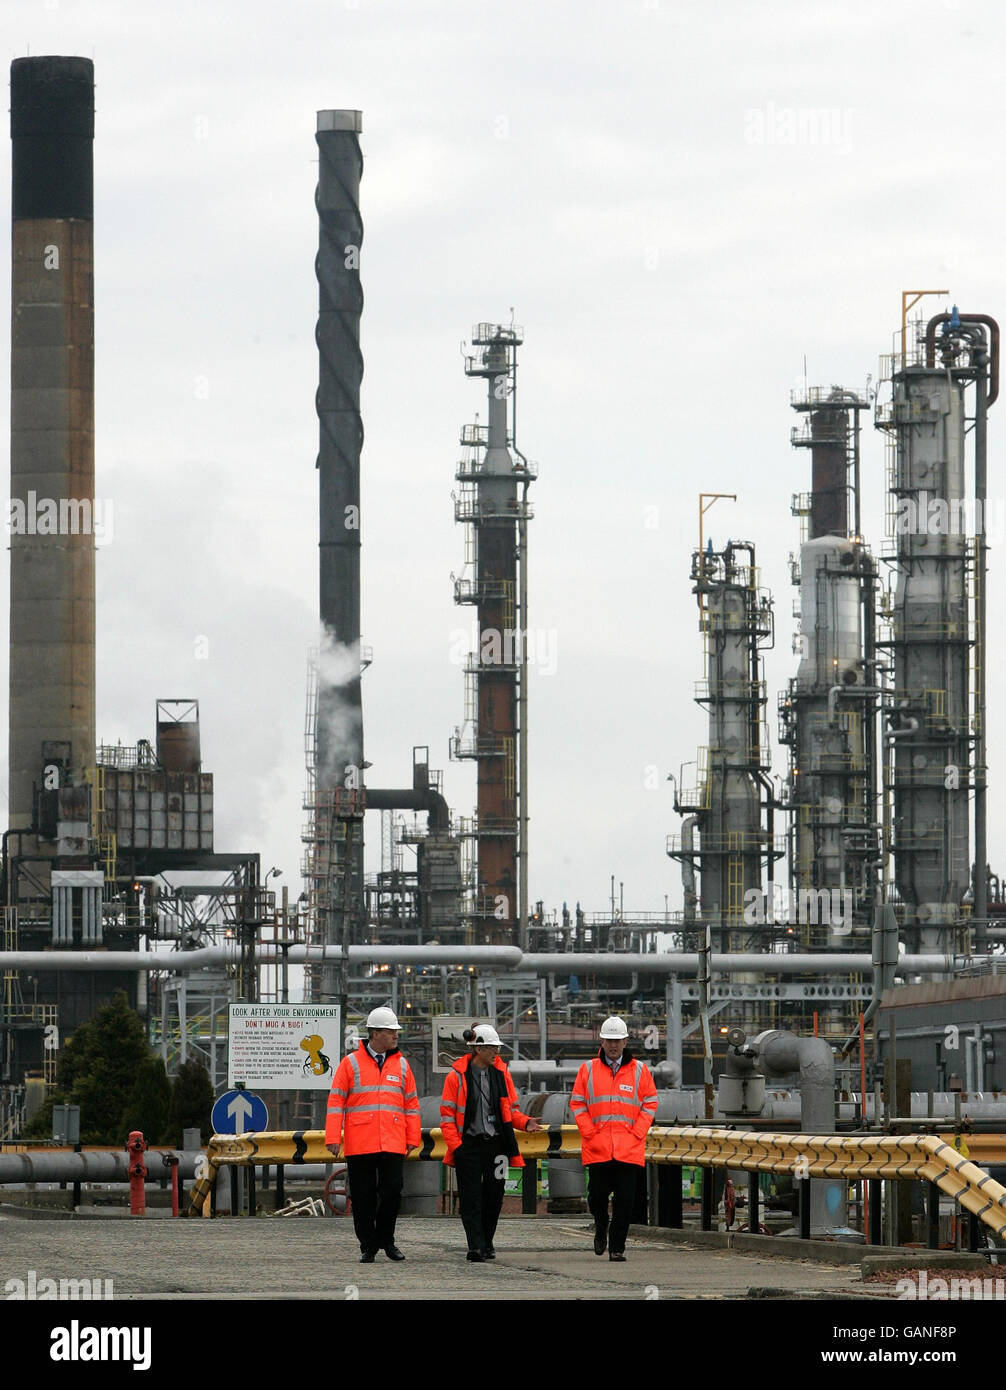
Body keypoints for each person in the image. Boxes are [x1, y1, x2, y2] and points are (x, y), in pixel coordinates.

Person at [440, 1022, 544, 1262]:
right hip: (469, 1146)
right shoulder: (456, 1077)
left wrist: (525, 1122)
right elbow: (447, 1117)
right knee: (470, 1197)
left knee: (494, 1195)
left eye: (496, 1047)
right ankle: (475, 1245)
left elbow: (511, 1110)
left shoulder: (501, 1075)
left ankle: (487, 1241)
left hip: (496, 1145)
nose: (496, 1052)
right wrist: (458, 1148)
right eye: (491, 1048)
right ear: (478, 1049)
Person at [325, 1006, 420, 1263]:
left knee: (392, 1192)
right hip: (360, 1142)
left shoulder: (401, 1065)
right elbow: (336, 1101)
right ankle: (368, 1245)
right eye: (391, 1031)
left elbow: (411, 1104)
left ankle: (386, 1240)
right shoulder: (351, 1063)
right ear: (376, 1033)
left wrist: (413, 1138)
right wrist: (333, 1137)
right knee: (363, 1196)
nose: (396, 1035)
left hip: (392, 1141)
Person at [570, 1015, 658, 1262]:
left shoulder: (639, 1070)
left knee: (625, 1202)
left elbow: (650, 1102)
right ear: (602, 1041)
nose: (613, 1045)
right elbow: (577, 1102)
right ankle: (601, 1225)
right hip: (598, 1147)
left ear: (626, 1041)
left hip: (628, 1148)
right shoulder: (587, 1069)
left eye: (617, 1040)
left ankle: (617, 1247)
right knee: (596, 1197)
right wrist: (589, 1133)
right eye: (609, 1040)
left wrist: (637, 1132)